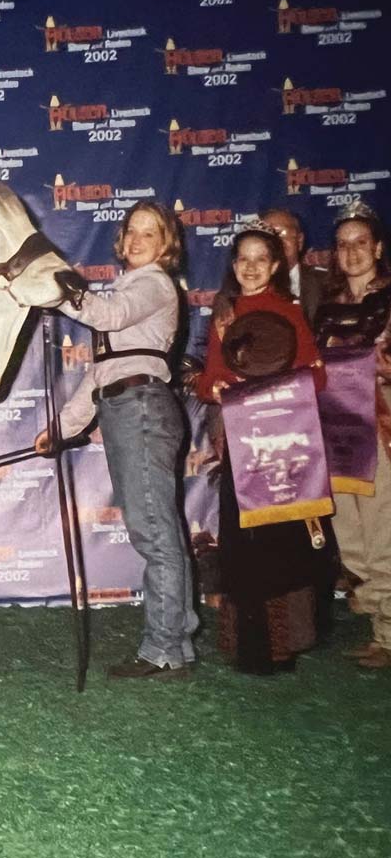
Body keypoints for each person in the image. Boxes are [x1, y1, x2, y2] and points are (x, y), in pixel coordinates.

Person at [36, 201, 198, 679]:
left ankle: (166, 648)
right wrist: (62, 429)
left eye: (149, 233)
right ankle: (176, 645)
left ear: (166, 244)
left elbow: (108, 316)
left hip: (142, 407)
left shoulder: (152, 283)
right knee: (156, 529)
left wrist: (61, 292)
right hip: (126, 406)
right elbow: (101, 374)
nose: (136, 239)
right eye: (131, 230)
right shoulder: (127, 287)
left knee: (155, 532)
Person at [196, 221, 328, 674]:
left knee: (279, 542)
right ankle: (246, 644)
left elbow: (317, 373)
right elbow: (208, 376)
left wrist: (275, 385)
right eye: (242, 259)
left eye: (260, 258)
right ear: (234, 266)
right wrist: (215, 387)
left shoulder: (288, 312)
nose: (250, 267)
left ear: (275, 265)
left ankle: (283, 645)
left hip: (282, 445)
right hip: (240, 443)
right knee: (242, 539)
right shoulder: (225, 315)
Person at [314, 202, 391, 670]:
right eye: (343, 244)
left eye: (360, 242)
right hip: (340, 434)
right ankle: (377, 623)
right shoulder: (328, 310)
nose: (352, 251)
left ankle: (388, 634)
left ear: (377, 248)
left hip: (380, 428)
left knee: (383, 533)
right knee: (352, 536)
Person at [262, 208, 325, 325]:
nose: (276, 242)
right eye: (268, 236)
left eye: (281, 234)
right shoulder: (248, 287)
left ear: (299, 241)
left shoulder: (325, 282)